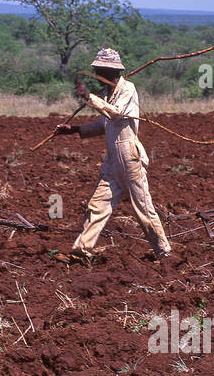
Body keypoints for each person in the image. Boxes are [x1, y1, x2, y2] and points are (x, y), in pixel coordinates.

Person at [52, 47, 172, 263]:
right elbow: (104, 125)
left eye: (99, 71)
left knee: (143, 209)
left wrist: (90, 98)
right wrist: (75, 129)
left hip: (129, 156)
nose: (97, 75)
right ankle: (82, 251)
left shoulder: (128, 90)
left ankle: (164, 252)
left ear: (109, 71)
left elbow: (115, 113)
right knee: (97, 206)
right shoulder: (108, 94)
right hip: (113, 160)